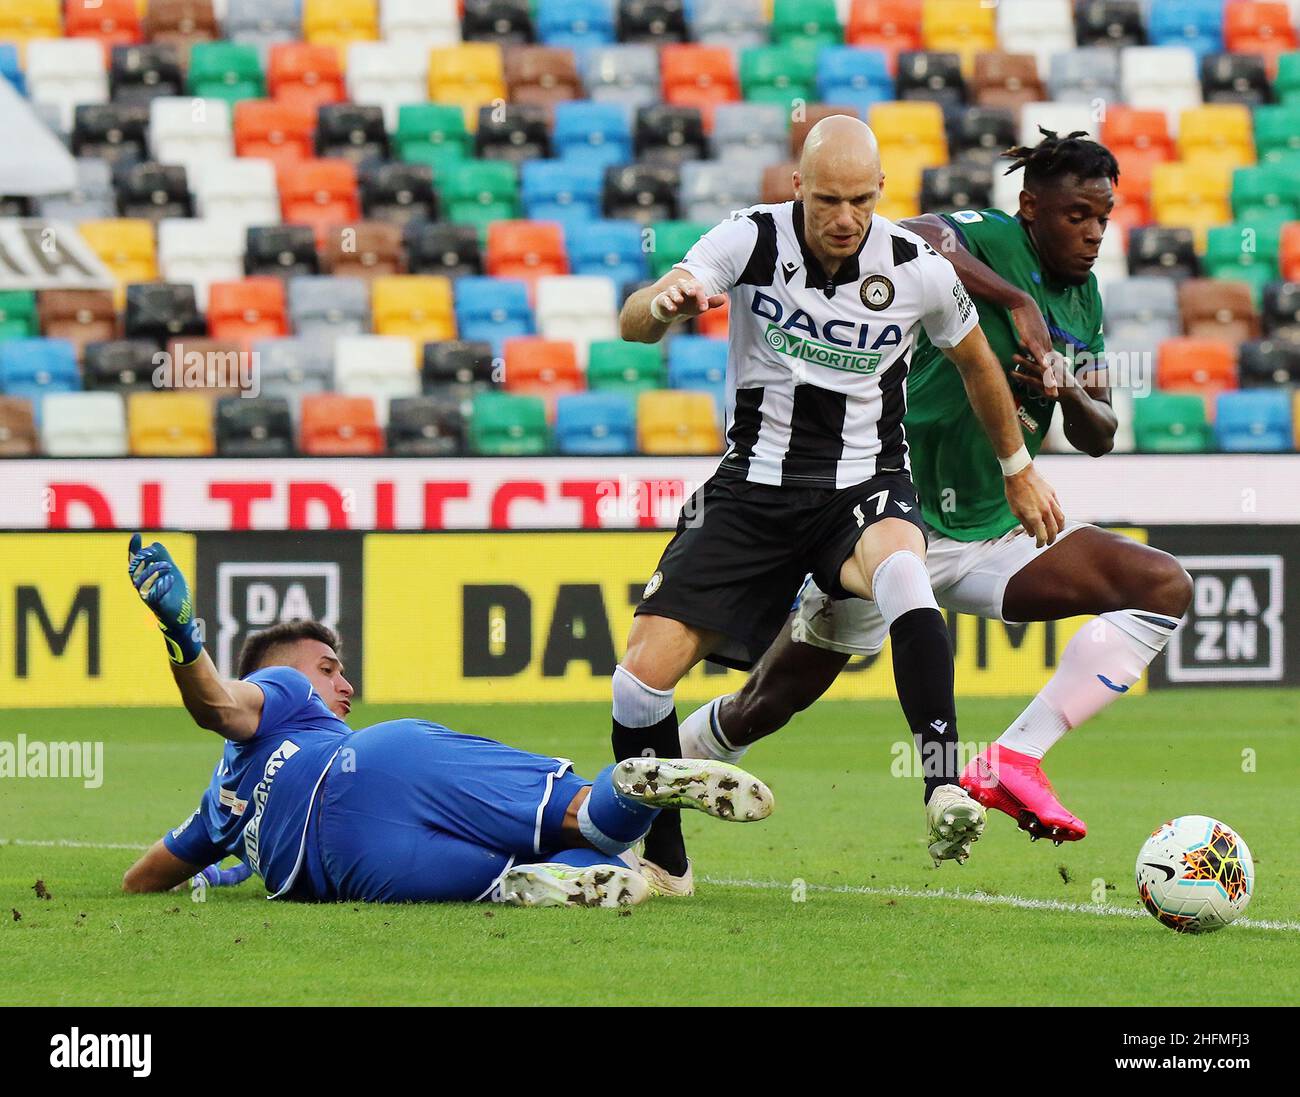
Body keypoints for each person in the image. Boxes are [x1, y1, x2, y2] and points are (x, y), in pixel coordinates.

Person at [675, 130, 1193, 852]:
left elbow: (1101, 431)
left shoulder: (1087, 299)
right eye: (1077, 214)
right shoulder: (988, 238)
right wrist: (1015, 303)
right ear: (1030, 208)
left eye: (1103, 217)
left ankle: (1013, 758)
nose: (1093, 232)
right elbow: (908, 234)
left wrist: (1063, 382)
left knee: (1161, 585)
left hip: (992, 529)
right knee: (769, 701)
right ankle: (675, 760)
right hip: (886, 517)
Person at [612, 115, 1065, 894]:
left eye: (860, 200)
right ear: (798, 187)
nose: (844, 218)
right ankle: (666, 858)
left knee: (904, 572)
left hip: (864, 481)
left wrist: (1018, 467)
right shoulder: (749, 238)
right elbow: (634, 323)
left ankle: (942, 782)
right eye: (827, 199)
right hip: (751, 488)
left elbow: (976, 362)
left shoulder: (915, 266)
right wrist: (664, 303)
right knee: (637, 685)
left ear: (881, 192)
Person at [120, 535, 774, 909]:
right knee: (581, 816)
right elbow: (218, 706)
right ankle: (631, 787)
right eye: (329, 667)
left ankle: (556, 875)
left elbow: (141, 878)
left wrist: (221, 864)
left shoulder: (218, 812)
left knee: (557, 870)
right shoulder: (282, 690)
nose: (345, 683)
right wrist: (182, 634)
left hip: (353, 867)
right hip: (385, 765)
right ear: (278, 670)